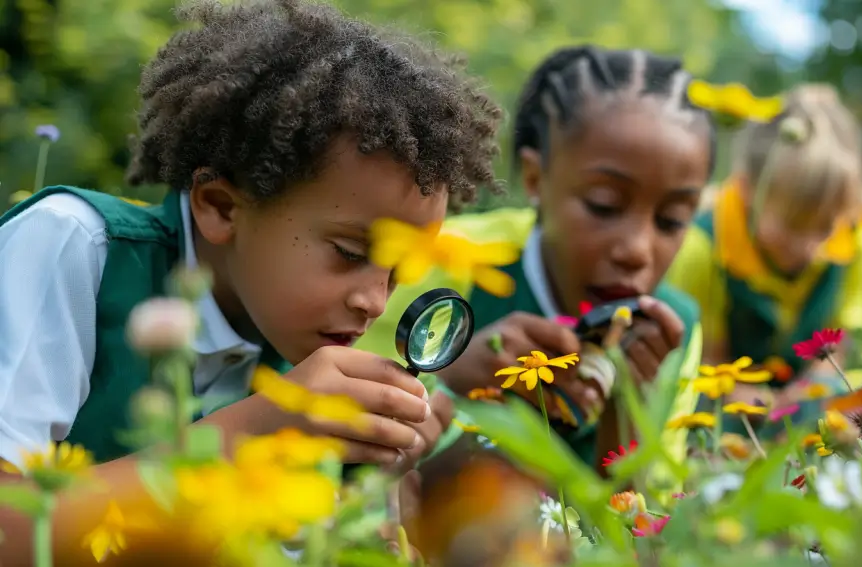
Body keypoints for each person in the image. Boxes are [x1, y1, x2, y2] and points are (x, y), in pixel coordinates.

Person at [0, 0, 501, 563]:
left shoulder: (297, 364)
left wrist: (363, 503)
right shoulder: (75, 247)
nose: (374, 302)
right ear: (220, 207)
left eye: (400, 272)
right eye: (348, 252)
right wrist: (254, 432)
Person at [356, 45, 715, 474]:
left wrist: (631, 414)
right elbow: (332, 435)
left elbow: (646, 523)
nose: (637, 251)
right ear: (534, 179)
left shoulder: (675, 328)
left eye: (672, 220)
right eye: (603, 205)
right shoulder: (442, 262)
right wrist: (448, 381)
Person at [668, 83, 862, 435]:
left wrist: (804, 390)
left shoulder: (860, 237)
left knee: (847, 408)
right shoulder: (703, 246)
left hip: (804, 395)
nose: (811, 248)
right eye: (793, 226)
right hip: (726, 398)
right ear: (748, 189)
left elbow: (834, 352)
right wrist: (749, 397)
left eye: (826, 227)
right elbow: (706, 361)